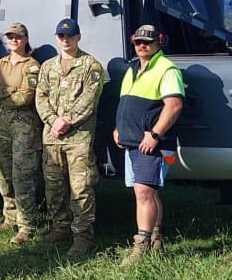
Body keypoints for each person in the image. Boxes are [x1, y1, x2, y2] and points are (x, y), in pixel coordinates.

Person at [112, 24, 184, 265]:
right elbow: (127, 104)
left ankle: (140, 246)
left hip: (152, 142)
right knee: (147, 192)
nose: (142, 46)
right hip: (133, 141)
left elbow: (174, 105)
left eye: (148, 42)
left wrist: (154, 134)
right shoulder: (133, 68)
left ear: (158, 44)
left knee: (144, 192)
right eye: (138, 42)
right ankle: (156, 240)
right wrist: (119, 128)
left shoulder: (167, 69)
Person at [35, 18, 105, 258]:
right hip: (52, 137)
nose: (65, 40)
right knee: (53, 186)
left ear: (78, 37)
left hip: (78, 138)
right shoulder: (48, 67)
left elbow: (88, 100)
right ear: (56, 38)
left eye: (70, 36)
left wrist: (65, 121)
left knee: (81, 188)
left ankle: (83, 237)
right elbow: (40, 97)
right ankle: (60, 228)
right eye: (61, 36)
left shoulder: (90, 66)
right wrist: (52, 120)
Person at [0, 22, 42, 245]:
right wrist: (10, 90)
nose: (14, 40)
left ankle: (26, 224)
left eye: (18, 37)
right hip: (0, 125)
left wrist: (2, 92)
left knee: (22, 175)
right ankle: (10, 217)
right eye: (10, 37)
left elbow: (25, 97)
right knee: (2, 171)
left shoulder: (32, 65)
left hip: (23, 126)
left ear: (26, 39)